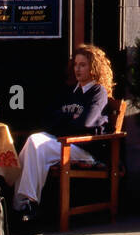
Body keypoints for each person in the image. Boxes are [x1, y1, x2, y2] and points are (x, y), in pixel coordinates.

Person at [10, 45, 113, 225]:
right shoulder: (70, 91)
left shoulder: (98, 92)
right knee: (32, 142)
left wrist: (64, 121)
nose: (78, 69)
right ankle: (24, 205)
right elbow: (48, 120)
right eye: (76, 65)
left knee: (37, 143)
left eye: (83, 65)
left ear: (93, 68)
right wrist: (69, 119)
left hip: (85, 148)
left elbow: (86, 123)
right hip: (65, 142)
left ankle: (26, 205)